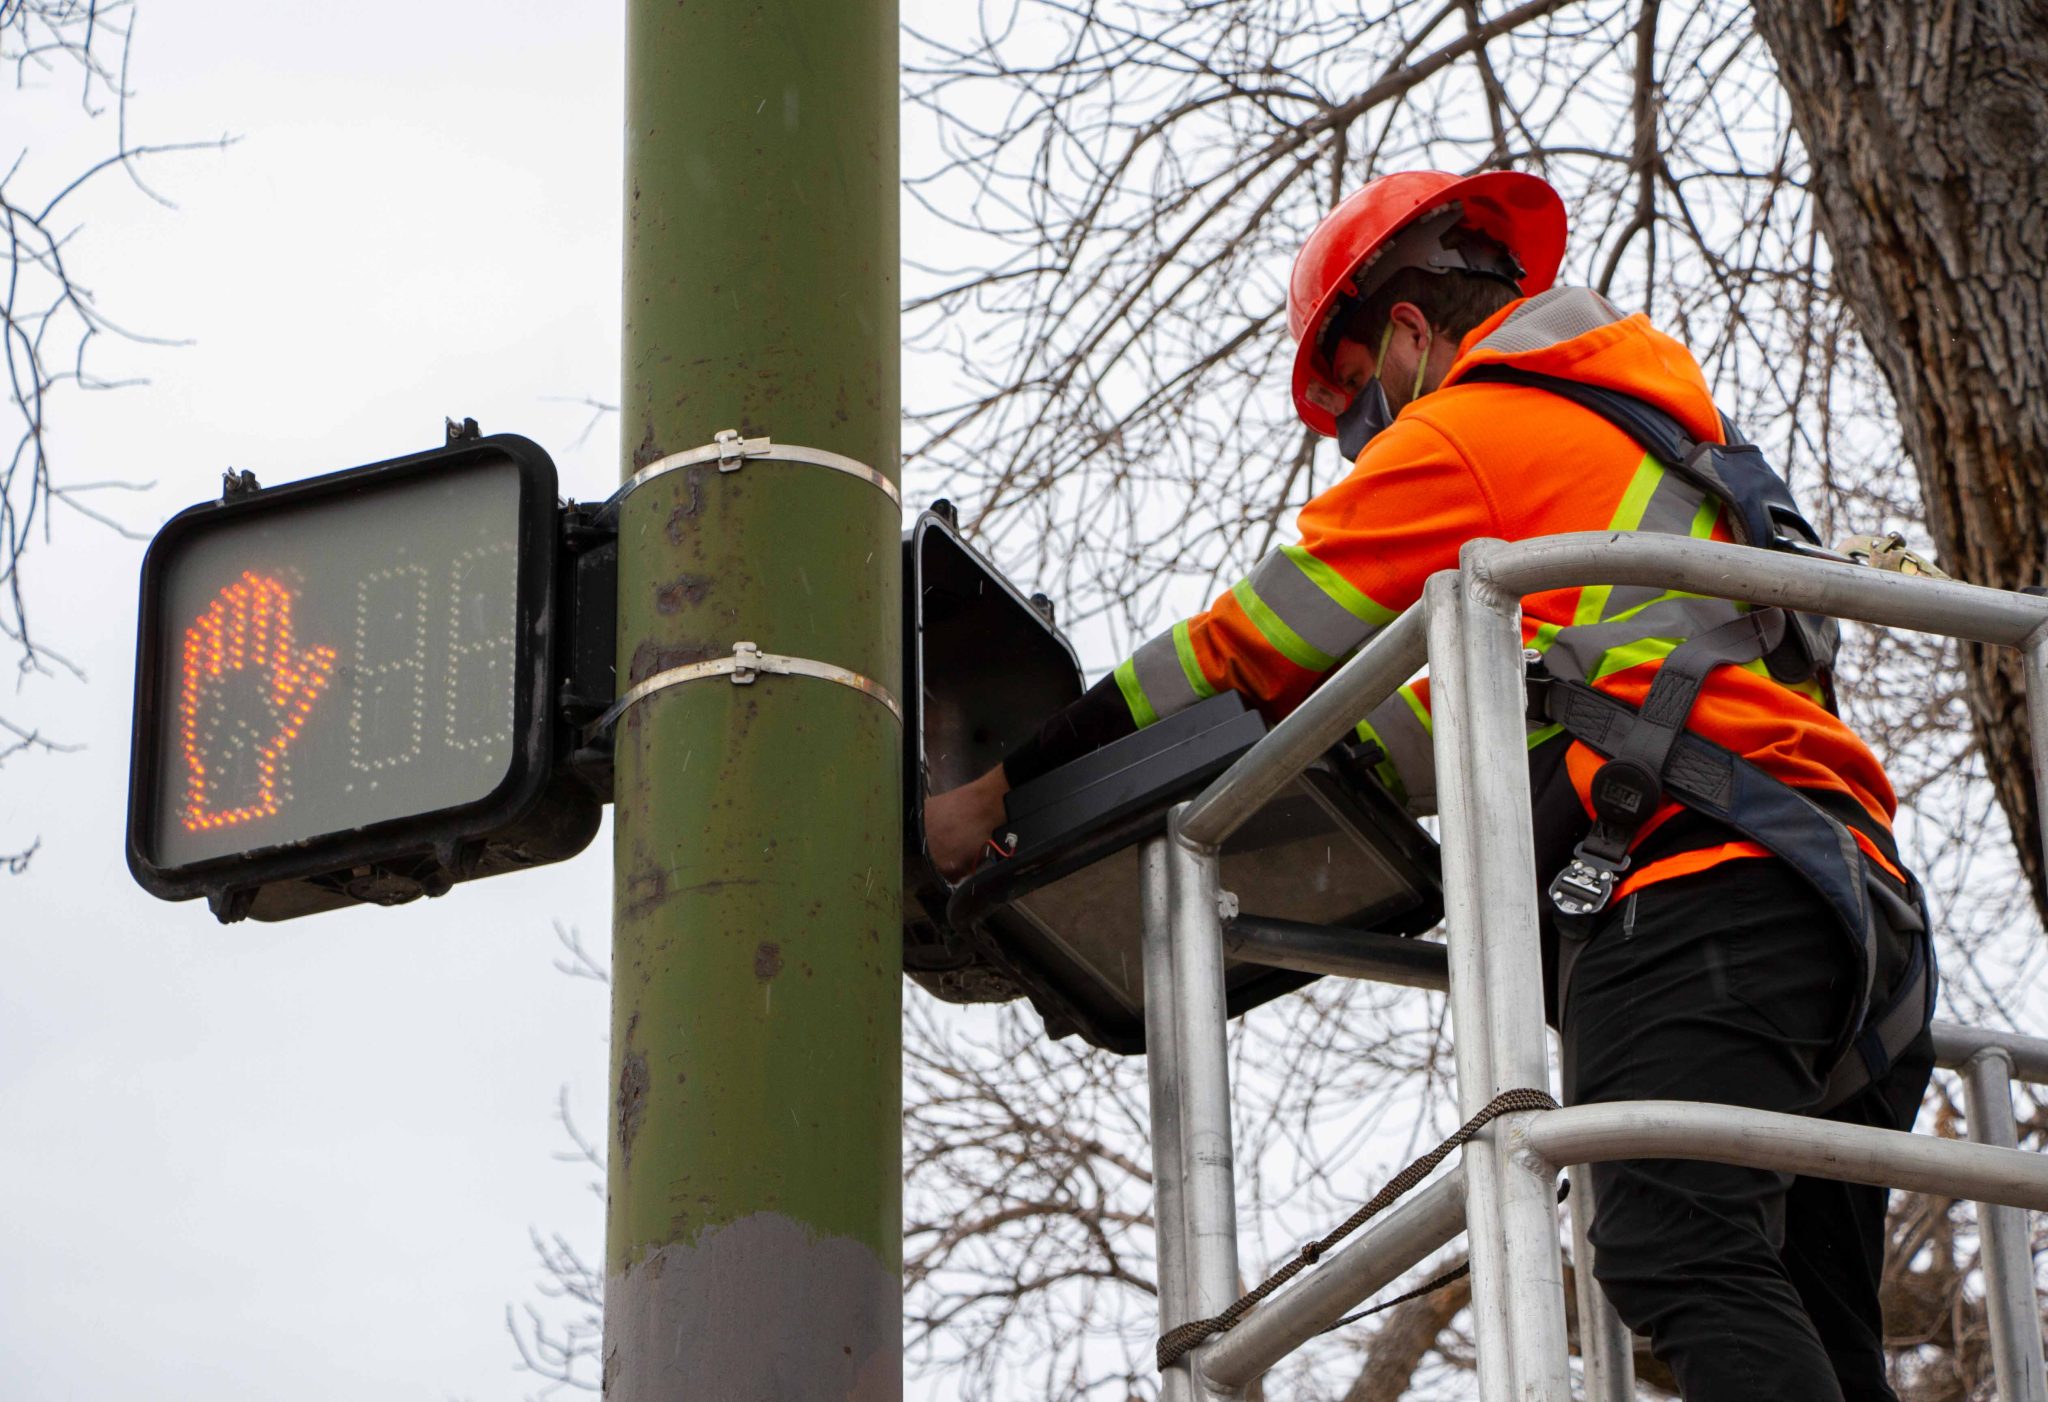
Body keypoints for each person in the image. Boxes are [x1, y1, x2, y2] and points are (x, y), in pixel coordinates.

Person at [922, 169, 1934, 1402]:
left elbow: (1245, 650)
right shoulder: (1650, 455)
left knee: (1674, 1248)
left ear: (1404, 337)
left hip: (1699, 887)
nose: (1363, 450)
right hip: (1850, 913)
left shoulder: (1475, 426)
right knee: (1815, 1328)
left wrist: (1009, 785)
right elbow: (1430, 723)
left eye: (1355, 417)